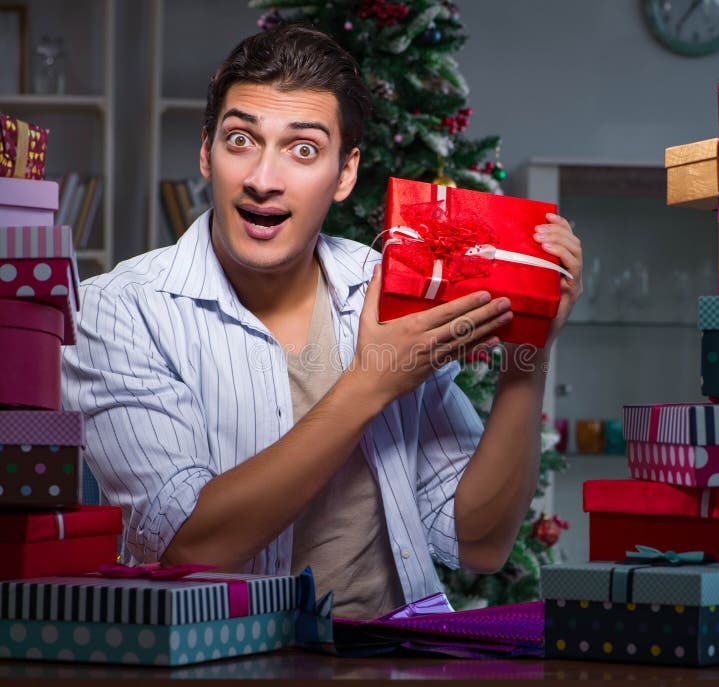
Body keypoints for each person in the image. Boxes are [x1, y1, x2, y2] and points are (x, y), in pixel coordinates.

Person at [61, 24, 582, 619]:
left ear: (344, 174)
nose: (263, 178)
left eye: (302, 149)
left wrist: (528, 353)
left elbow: (476, 542)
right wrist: (372, 382)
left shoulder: (387, 288)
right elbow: (185, 544)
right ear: (206, 152)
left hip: (390, 655)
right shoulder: (117, 310)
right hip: (220, 662)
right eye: (240, 140)